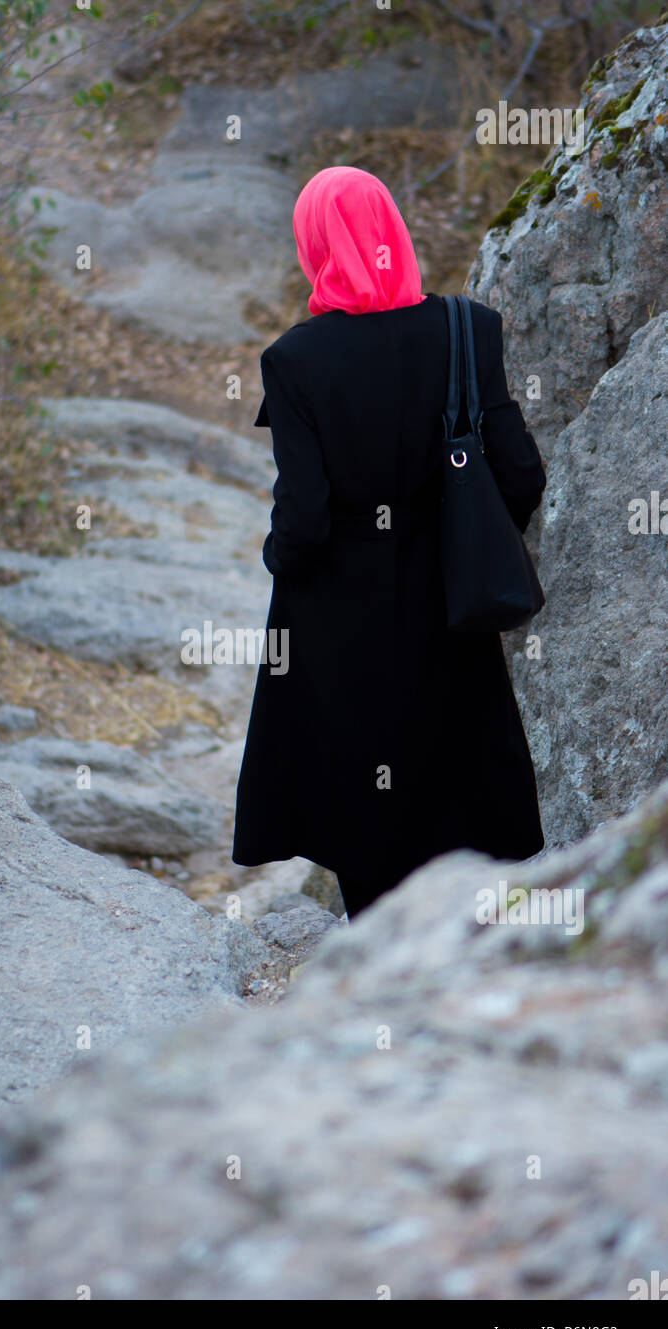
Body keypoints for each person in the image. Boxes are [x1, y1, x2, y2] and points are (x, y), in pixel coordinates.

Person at [232, 165, 546, 921]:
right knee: (462, 791)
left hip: (342, 627)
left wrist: (279, 559)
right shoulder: (469, 329)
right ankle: (468, 966)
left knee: (364, 812)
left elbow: (302, 520)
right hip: (451, 607)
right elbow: (523, 475)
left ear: (316, 246)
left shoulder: (296, 361)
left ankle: (384, 973)